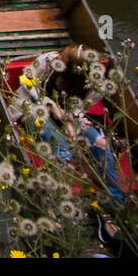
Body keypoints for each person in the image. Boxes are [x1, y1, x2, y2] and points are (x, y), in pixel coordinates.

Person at [10, 44, 124, 202]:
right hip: (32, 108)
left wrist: (70, 121)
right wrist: (51, 104)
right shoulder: (46, 62)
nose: (56, 57)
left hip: (66, 117)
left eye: (61, 58)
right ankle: (55, 200)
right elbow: (28, 85)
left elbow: (82, 107)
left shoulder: (94, 84)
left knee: (102, 144)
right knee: (61, 148)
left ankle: (115, 198)